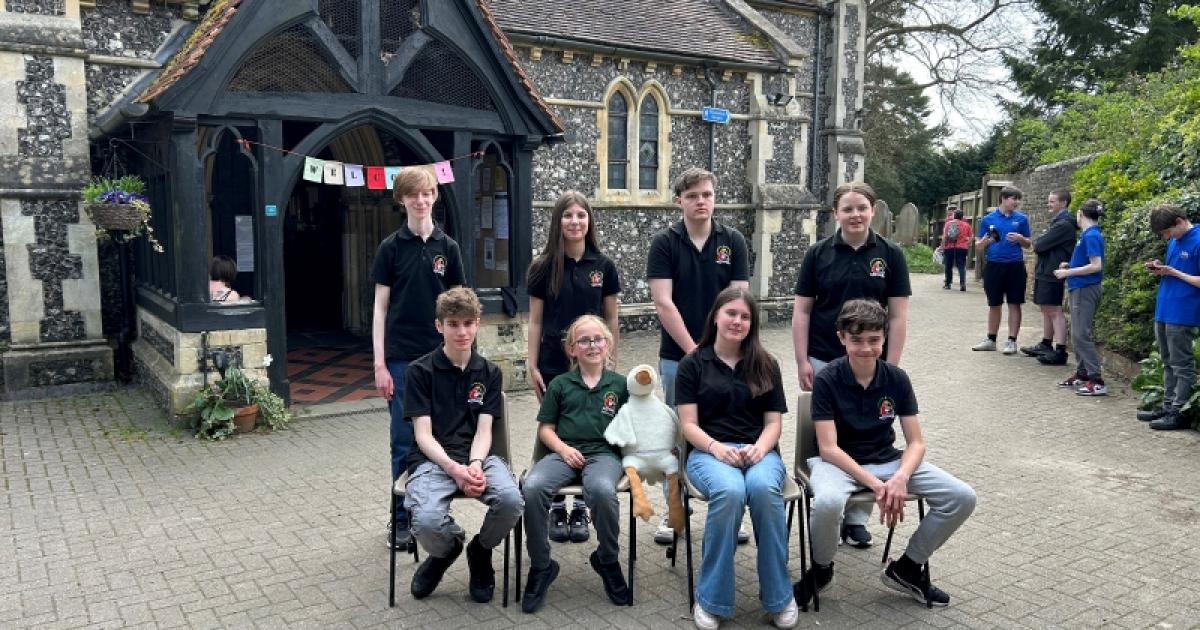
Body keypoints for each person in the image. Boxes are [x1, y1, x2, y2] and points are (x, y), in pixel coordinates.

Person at [794, 299, 976, 609]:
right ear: (841, 338)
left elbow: (916, 443)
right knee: (827, 502)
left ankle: (908, 568)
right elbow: (828, 448)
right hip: (837, 463)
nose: (866, 348)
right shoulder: (827, 379)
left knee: (962, 497)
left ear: (884, 338)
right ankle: (822, 569)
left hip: (888, 460)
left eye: (874, 340)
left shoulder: (896, 378)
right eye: (857, 340)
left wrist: (900, 477)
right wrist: (877, 485)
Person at [792, 181, 911, 549]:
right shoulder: (818, 254)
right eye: (847, 208)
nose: (855, 214)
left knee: (869, 431)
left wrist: (891, 366)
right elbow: (802, 310)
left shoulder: (891, 255)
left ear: (872, 210)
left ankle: (857, 519)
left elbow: (898, 316)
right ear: (835, 213)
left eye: (862, 207)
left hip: (871, 358)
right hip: (824, 355)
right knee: (829, 435)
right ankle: (830, 504)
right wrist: (802, 360)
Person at [679, 287, 796, 630]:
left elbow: (773, 424)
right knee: (730, 492)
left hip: (759, 451)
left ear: (752, 324)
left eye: (745, 316)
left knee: (763, 490)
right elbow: (688, 424)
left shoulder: (766, 364)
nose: (737, 321)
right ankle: (710, 599)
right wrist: (716, 448)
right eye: (731, 313)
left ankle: (779, 598)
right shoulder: (692, 364)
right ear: (716, 316)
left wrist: (760, 448)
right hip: (708, 452)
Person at [647, 167, 751, 545]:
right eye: (692, 196)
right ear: (680, 201)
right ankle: (675, 512)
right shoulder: (665, 243)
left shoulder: (733, 241)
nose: (701, 201)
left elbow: (739, 301)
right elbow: (663, 303)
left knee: (730, 429)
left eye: (707, 194)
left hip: (730, 357)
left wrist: (721, 351)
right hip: (678, 357)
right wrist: (696, 353)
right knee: (677, 435)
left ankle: (732, 510)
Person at [402, 287, 522, 603]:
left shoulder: (489, 372)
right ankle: (447, 550)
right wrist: (455, 469)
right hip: (433, 460)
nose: (462, 332)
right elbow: (423, 435)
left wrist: (475, 464)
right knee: (427, 521)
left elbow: (484, 431)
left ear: (477, 324)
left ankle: (480, 551)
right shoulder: (419, 372)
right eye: (453, 324)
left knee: (511, 500)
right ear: (439, 326)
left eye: (468, 323)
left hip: (478, 457)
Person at [372, 166, 465, 549]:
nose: (420, 200)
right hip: (401, 360)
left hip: (443, 359)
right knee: (403, 439)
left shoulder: (449, 248)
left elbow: (462, 308)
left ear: (434, 196)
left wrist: (465, 358)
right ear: (402, 199)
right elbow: (379, 308)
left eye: (426, 193)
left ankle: (436, 512)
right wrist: (379, 364)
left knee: (445, 437)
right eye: (413, 194)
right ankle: (401, 519)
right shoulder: (390, 248)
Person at [527, 191, 621, 544]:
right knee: (556, 429)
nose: (575, 221)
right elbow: (535, 321)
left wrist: (612, 359)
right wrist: (531, 362)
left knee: (591, 428)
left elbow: (611, 317)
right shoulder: (542, 267)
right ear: (558, 222)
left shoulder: (604, 266)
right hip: (553, 362)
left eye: (581, 215)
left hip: (594, 359)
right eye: (568, 215)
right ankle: (555, 505)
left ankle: (581, 507)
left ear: (589, 221)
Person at [520, 315, 631, 613]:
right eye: (583, 340)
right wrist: (563, 449)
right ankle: (541, 566)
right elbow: (545, 429)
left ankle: (607, 560)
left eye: (598, 339)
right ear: (571, 349)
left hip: (604, 455)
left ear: (608, 345)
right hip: (563, 453)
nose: (592, 345)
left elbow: (637, 423)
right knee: (532, 487)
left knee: (603, 491)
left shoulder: (621, 385)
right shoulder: (560, 384)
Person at [1137, 204, 1200, 430]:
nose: (1166, 238)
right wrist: (1160, 268)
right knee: (1167, 361)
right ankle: (1168, 405)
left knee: (1182, 364)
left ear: (1180, 221)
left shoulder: (1198, 240)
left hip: (1183, 311)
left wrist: (1173, 272)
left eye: (1167, 232)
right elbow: (1174, 271)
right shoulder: (1175, 240)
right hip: (1164, 308)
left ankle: (1180, 411)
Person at [1053, 199, 1106, 395]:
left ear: (1080, 214)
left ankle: (1096, 379)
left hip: (1085, 289)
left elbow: (1096, 265)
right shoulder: (1088, 234)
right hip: (1080, 288)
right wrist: (1071, 265)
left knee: (1081, 334)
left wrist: (1067, 273)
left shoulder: (1091, 235)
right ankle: (1082, 374)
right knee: (1077, 334)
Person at [971, 186, 1032, 354]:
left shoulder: (1021, 219)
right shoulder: (987, 219)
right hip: (993, 266)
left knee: (1015, 303)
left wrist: (1020, 238)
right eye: (1014, 199)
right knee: (994, 303)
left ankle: (1012, 341)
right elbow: (978, 245)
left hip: (1015, 266)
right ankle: (991, 340)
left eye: (1018, 199)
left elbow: (1028, 244)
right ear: (1003, 198)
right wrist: (983, 243)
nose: (1017, 202)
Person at [1021, 190, 1077, 365]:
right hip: (1046, 269)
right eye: (1049, 201)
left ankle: (1060, 350)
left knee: (1054, 309)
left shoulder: (1063, 225)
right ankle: (1046, 343)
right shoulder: (1058, 223)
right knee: (1046, 308)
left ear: (1064, 203)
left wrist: (1040, 240)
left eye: (1052, 201)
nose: (1048, 204)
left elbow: (1039, 245)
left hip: (1053, 271)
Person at [941, 208, 970, 291]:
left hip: (949, 247)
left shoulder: (948, 223)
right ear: (962, 217)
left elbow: (945, 236)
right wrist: (967, 244)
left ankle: (948, 284)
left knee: (948, 266)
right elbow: (971, 237)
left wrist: (942, 246)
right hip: (962, 248)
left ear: (954, 216)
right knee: (961, 266)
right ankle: (962, 284)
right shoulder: (966, 225)